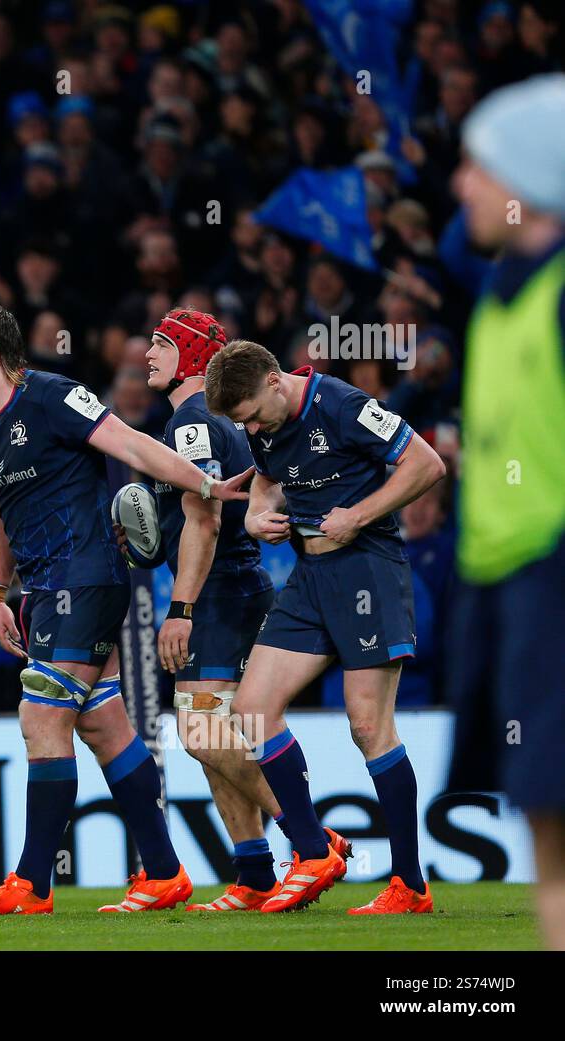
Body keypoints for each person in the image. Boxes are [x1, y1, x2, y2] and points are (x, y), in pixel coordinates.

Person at [0, 299, 251, 915]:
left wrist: (205, 483)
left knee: (40, 720)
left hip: (87, 580)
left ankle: (32, 884)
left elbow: (131, 445)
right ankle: (164, 872)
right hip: (43, 591)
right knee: (104, 726)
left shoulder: (55, 396)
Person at [200, 339, 446, 913]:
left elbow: (427, 464)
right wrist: (259, 514)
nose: (254, 426)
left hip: (367, 569)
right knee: (252, 708)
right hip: (309, 577)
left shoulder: (339, 404)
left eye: (255, 413)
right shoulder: (263, 425)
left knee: (368, 727)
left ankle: (409, 884)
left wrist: (358, 515)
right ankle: (313, 852)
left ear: (273, 378)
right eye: (243, 423)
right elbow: (263, 479)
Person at [139, 308, 350, 911]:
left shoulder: (192, 420)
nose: (148, 354)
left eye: (161, 344)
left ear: (192, 355)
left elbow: (203, 520)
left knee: (201, 733)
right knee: (216, 735)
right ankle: (255, 874)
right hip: (234, 584)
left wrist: (179, 607)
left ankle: (312, 841)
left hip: (216, 592)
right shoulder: (212, 419)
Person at [447, 74, 565, 950]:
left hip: (556, 576)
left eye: (479, 166)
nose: (462, 183)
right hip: (503, 584)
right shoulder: (500, 292)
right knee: (546, 829)